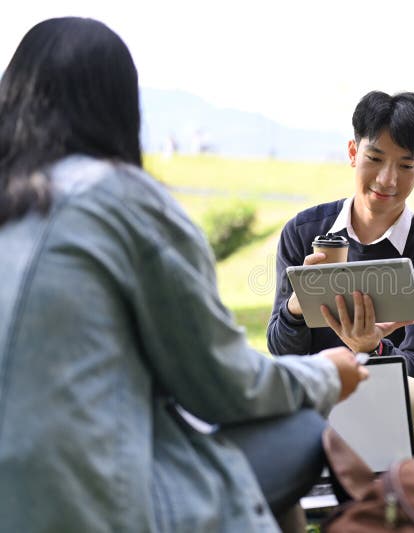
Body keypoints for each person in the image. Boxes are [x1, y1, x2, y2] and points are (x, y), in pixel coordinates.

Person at [0, 17, 368, 533]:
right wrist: (328, 372)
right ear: (122, 109)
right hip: (84, 507)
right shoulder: (122, 199)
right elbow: (220, 384)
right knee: (301, 427)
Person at [267, 90, 414, 446]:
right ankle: (331, 440)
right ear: (353, 153)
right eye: (375, 158)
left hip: (377, 392)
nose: (388, 180)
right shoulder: (304, 232)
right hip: (312, 386)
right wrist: (296, 306)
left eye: (405, 165)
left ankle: (316, 441)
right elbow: (279, 350)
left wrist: (374, 348)